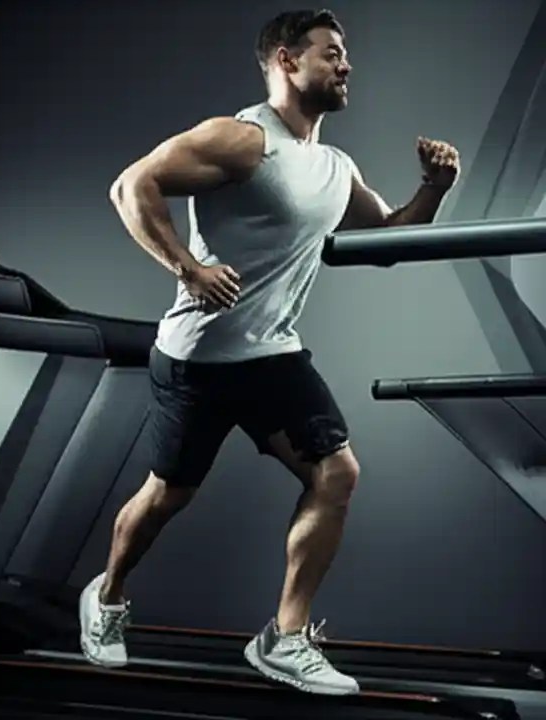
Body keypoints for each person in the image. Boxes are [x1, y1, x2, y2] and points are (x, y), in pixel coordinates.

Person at [79, 9, 460, 695]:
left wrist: (433, 188)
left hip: (272, 356)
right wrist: (187, 269)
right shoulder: (244, 139)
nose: (347, 66)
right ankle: (105, 597)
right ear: (287, 61)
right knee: (167, 495)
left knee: (337, 474)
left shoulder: (334, 166)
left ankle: (283, 638)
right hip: (196, 358)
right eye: (332, 53)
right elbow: (129, 185)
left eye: (348, 55)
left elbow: (388, 246)